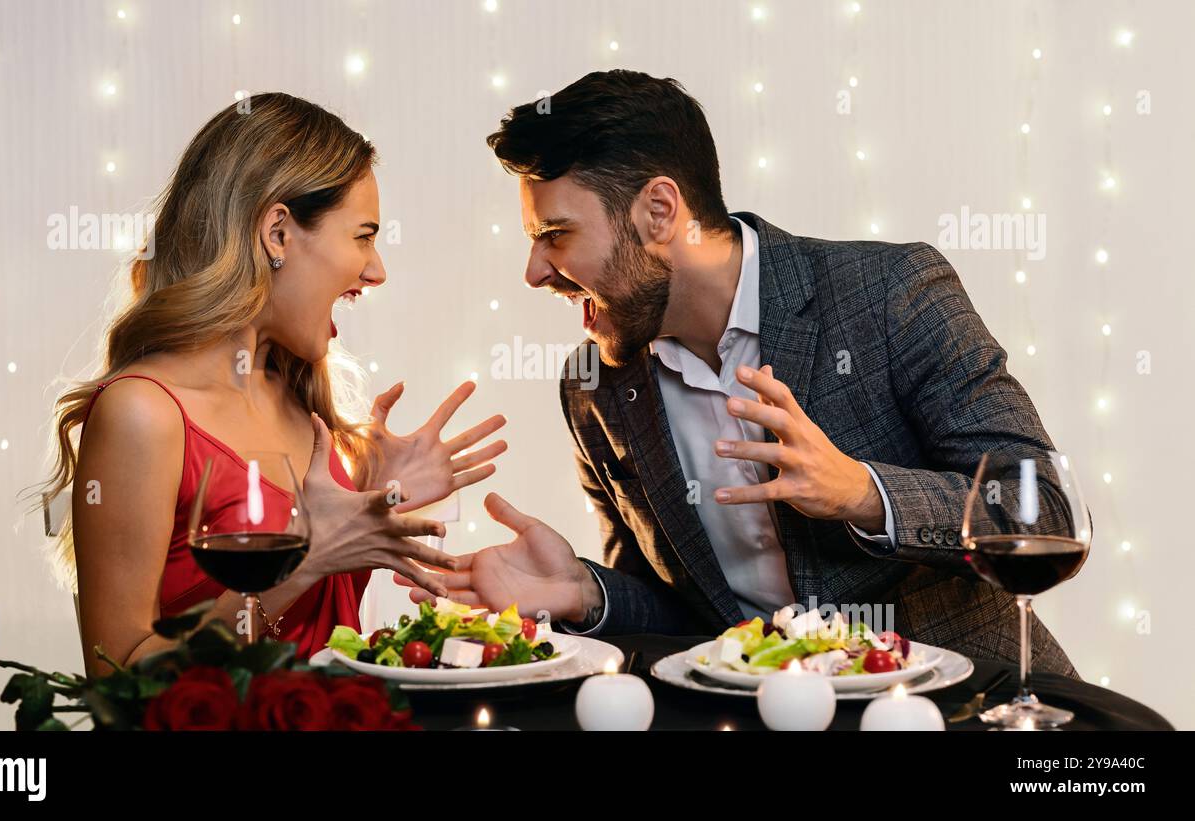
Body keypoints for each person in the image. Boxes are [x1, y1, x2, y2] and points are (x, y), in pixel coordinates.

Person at [400, 70, 1079, 676]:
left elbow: (1043, 506)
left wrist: (861, 492)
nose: (535, 272)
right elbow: (685, 620)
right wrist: (586, 591)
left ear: (659, 212)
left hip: (974, 707)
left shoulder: (892, 292)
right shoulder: (593, 388)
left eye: (556, 234)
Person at [39, 93, 507, 676]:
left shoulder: (295, 396)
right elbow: (117, 680)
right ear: (278, 234)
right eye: (363, 236)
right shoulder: (142, 413)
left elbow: (326, 634)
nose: (376, 269)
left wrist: (375, 497)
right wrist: (303, 559)